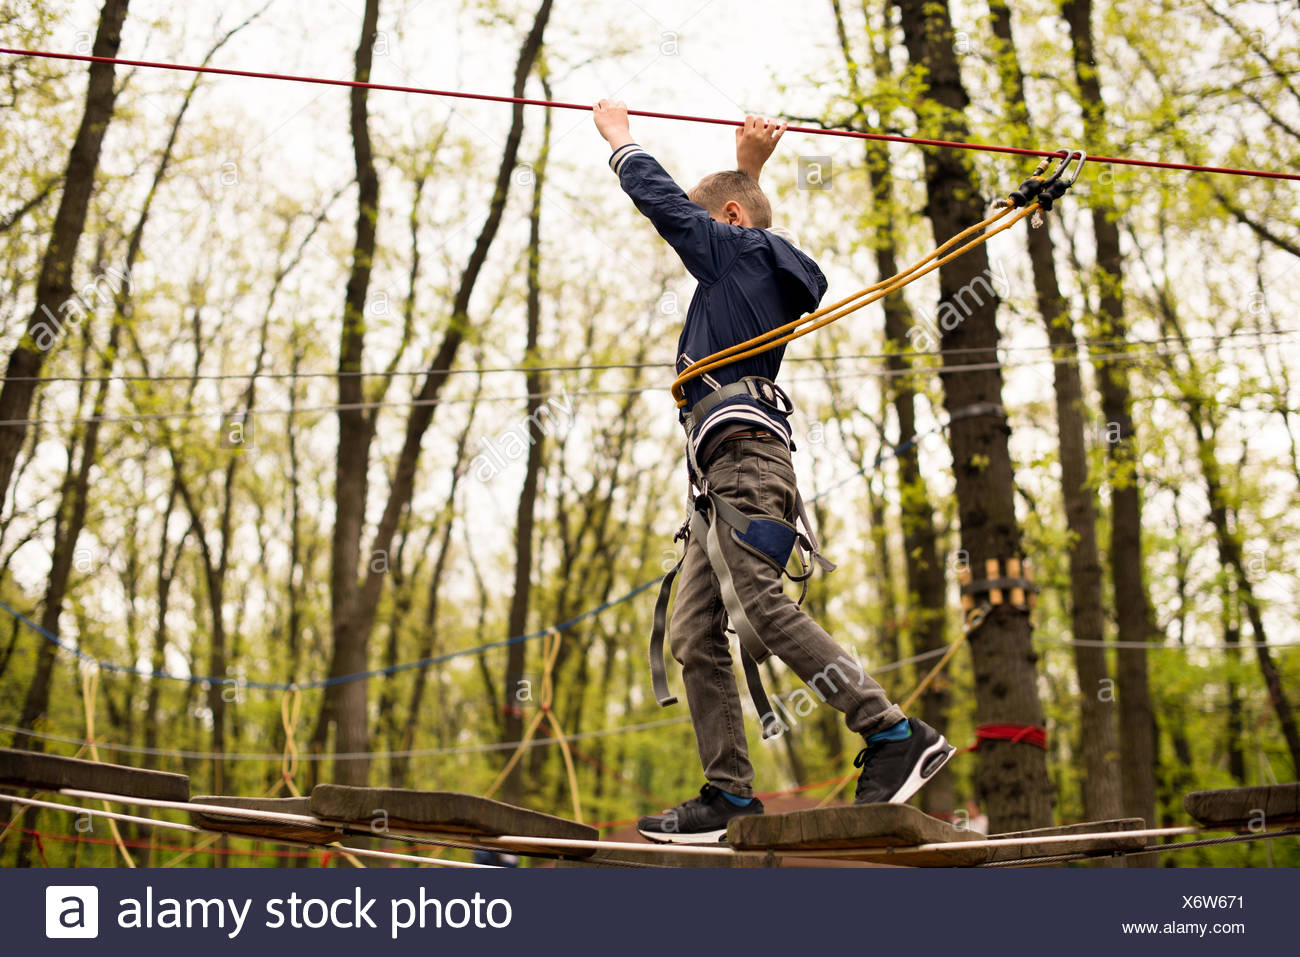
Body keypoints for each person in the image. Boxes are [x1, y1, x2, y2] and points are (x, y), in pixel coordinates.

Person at [593, 99, 955, 845]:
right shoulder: (745, 266)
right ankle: (728, 793)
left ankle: (891, 731)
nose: (693, 253)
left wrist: (622, 140)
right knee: (695, 630)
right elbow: (735, 216)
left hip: (745, 465)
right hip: (718, 482)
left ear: (725, 224)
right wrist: (749, 168)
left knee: (756, 604)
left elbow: (670, 208)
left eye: (706, 235)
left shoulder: (740, 254)